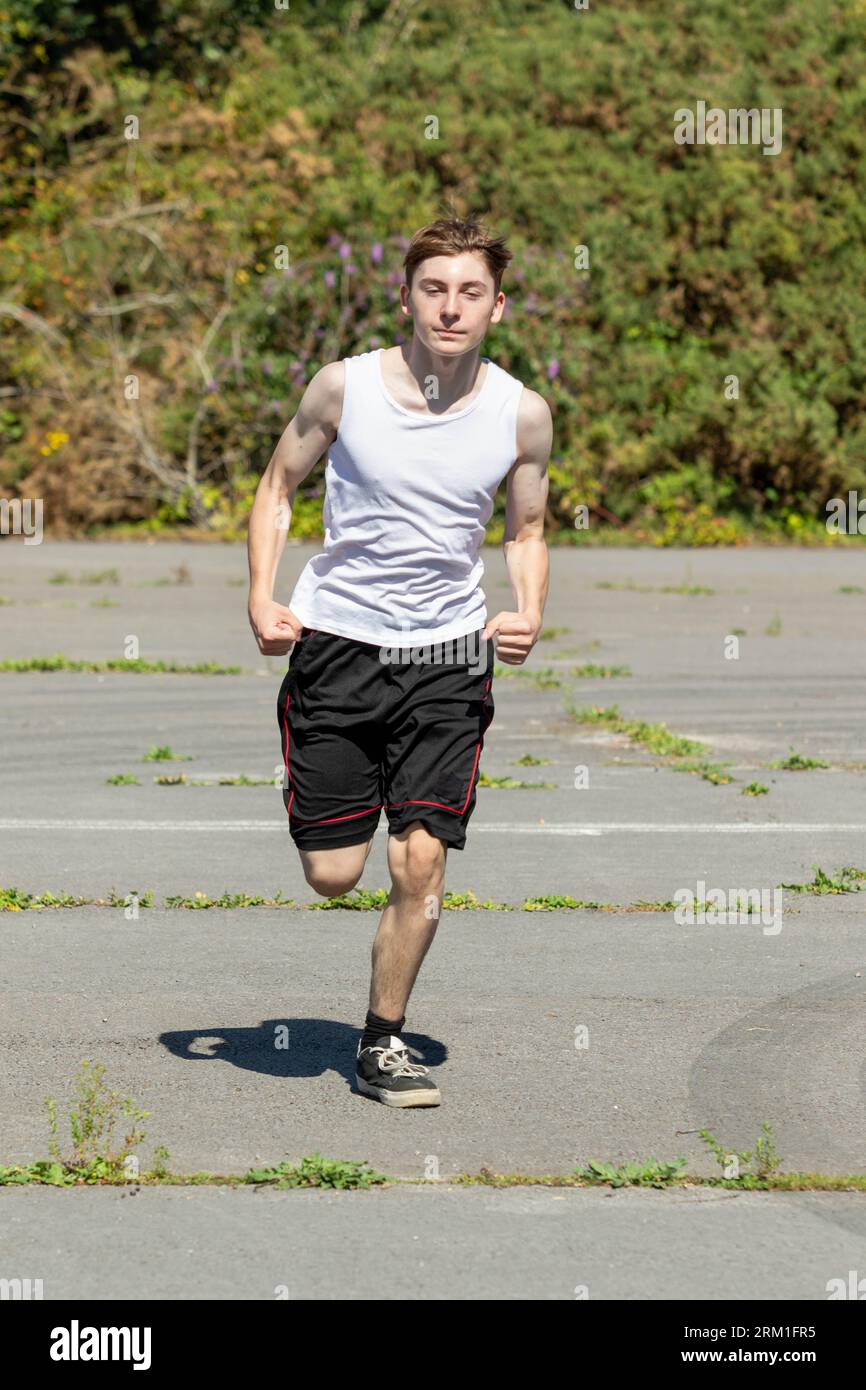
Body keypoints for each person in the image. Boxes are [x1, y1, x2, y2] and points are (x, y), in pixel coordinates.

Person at [247, 214, 552, 1106]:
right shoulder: (343, 389)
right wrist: (263, 593)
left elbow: (526, 528)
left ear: (497, 306)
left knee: (419, 860)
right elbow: (277, 488)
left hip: (451, 655)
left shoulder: (520, 412)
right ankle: (340, 788)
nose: (449, 309)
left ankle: (383, 1042)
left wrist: (529, 606)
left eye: (469, 293)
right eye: (433, 289)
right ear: (408, 295)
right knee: (334, 874)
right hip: (338, 643)